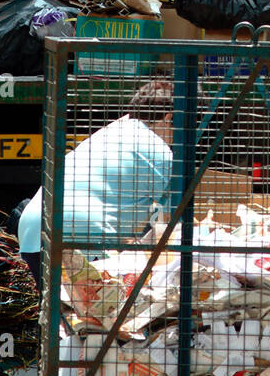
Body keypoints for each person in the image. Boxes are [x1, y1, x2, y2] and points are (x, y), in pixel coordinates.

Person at [14, 77, 174, 291]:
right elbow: (168, 227)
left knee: (58, 315)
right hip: (80, 239)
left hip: (34, 230)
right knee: (97, 317)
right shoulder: (161, 152)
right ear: (168, 118)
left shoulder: (112, 130)